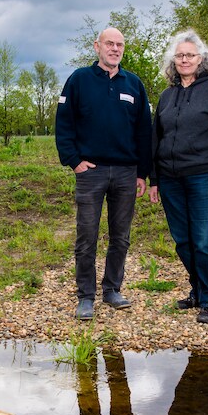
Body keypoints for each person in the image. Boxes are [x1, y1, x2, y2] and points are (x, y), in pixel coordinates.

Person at [56, 27, 153, 320]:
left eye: (119, 44)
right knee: (87, 236)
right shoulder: (79, 80)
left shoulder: (133, 84)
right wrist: (73, 160)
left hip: (126, 173)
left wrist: (142, 172)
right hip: (91, 172)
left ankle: (112, 289)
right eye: (109, 43)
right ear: (97, 46)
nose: (115, 49)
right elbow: (64, 123)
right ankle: (85, 296)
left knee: (120, 237)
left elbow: (144, 131)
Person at [149, 29, 208, 324]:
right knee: (183, 241)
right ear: (173, 61)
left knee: (203, 241)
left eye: (190, 55)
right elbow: (156, 138)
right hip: (171, 180)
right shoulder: (167, 96)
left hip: (204, 177)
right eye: (180, 55)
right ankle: (197, 290)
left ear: (201, 59)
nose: (184, 60)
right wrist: (154, 179)